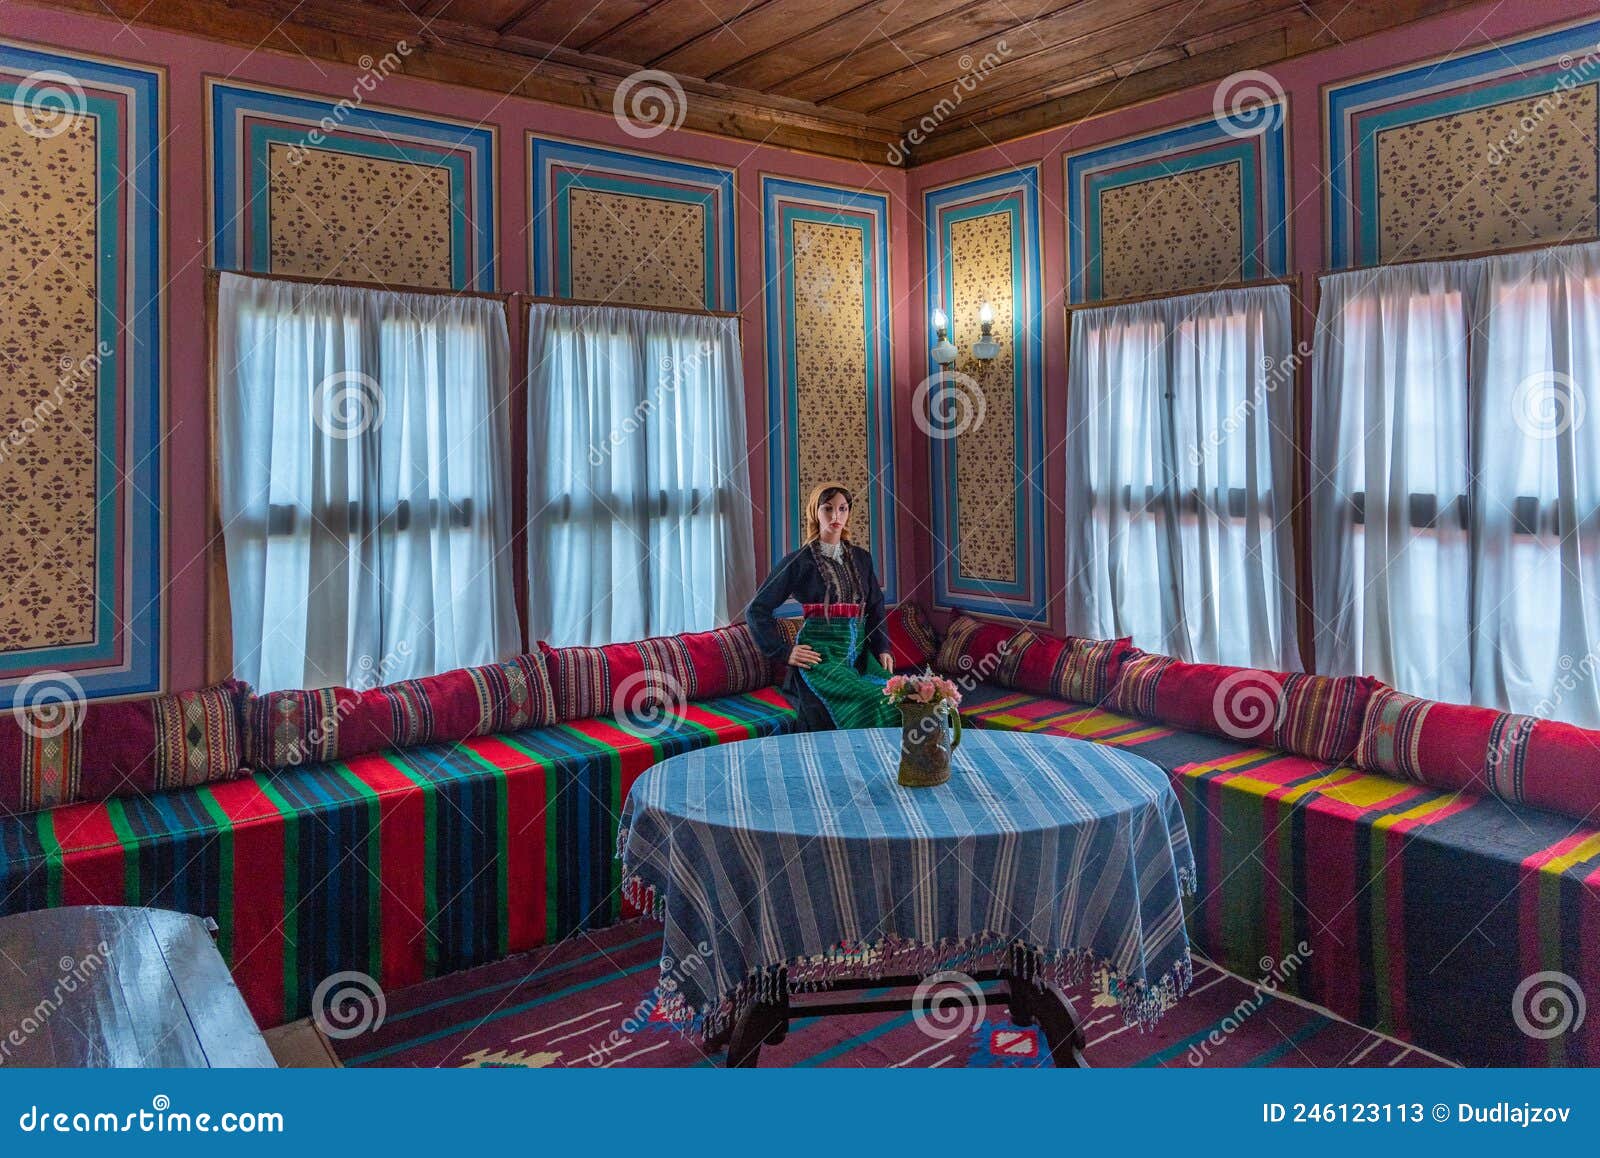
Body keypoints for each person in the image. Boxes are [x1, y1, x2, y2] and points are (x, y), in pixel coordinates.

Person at [746, 483, 898, 731]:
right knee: (871, 699)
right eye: (828, 509)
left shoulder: (861, 558)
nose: (836, 516)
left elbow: (875, 606)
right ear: (815, 512)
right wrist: (784, 652)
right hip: (821, 659)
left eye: (842, 509)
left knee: (897, 696)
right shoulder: (798, 561)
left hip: (860, 657)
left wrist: (883, 647)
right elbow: (756, 610)